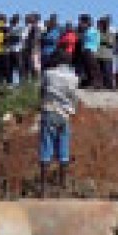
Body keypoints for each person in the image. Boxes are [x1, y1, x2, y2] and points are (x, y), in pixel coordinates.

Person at [37, 48, 80, 197]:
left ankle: (43, 189)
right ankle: (63, 186)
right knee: (63, 152)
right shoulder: (73, 77)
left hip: (49, 111)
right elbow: (74, 97)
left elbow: (41, 91)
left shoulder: (48, 74)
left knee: (46, 149)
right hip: (64, 115)